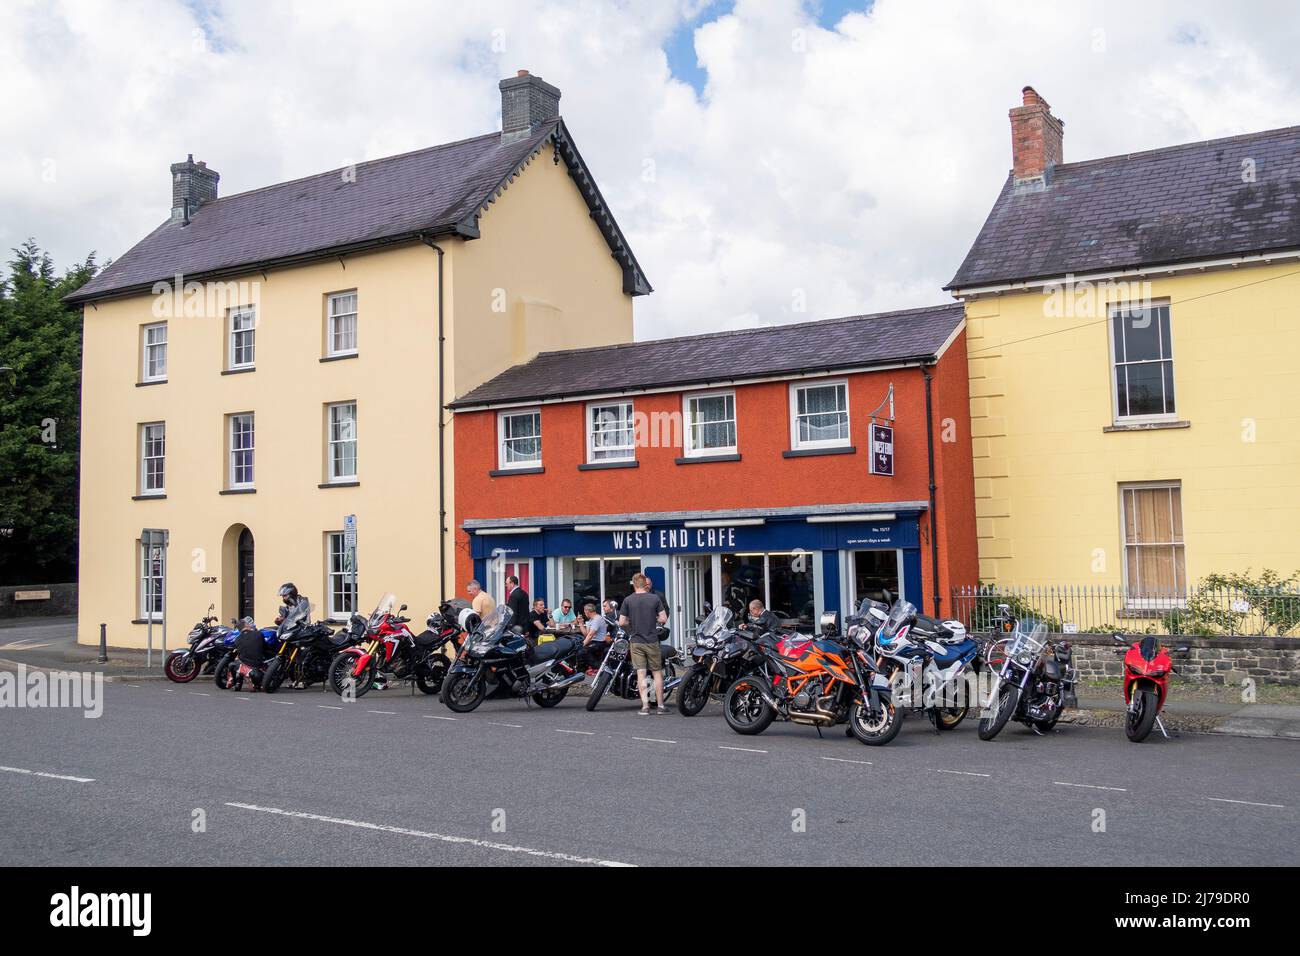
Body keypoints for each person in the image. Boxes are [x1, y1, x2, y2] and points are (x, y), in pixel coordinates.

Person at [619, 573, 669, 715]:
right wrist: (654, 619)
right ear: (645, 584)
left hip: (636, 641)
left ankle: (645, 706)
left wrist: (631, 623)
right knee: (657, 672)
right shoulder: (654, 598)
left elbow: (622, 622)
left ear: (634, 584)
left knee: (641, 673)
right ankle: (660, 706)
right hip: (652, 640)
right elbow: (663, 619)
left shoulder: (628, 600)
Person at [230, 617, 267, 691]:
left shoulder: (237, 639)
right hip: (258, 667)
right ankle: (255, 682)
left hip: (245, 665)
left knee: (233, 664)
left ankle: (238, 683)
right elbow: (265, 648)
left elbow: (236, 651)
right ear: (246, 626)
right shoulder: (259, 634)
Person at [579, 601, 610, 674]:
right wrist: (581, 623)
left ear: (587, 611)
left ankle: (599, 667)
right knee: (578, 648)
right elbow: (586, 634)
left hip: (600, 642)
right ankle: (587, 667)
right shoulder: (591, 620)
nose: (584, 613)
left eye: (584, 611)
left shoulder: (597, 619)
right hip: (593, 641)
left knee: (582, 651)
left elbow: (590, 635)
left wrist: (582, 645)